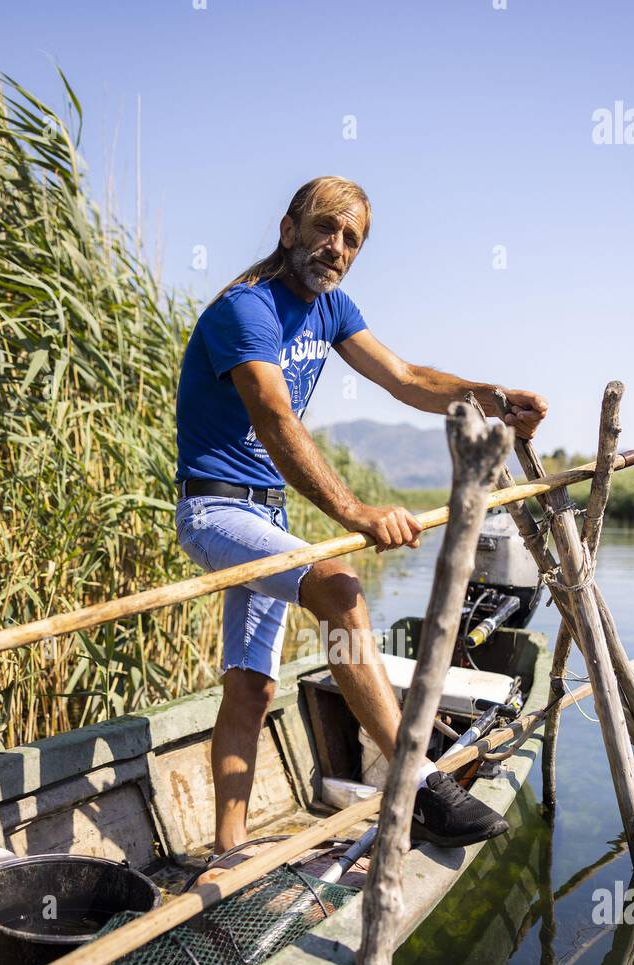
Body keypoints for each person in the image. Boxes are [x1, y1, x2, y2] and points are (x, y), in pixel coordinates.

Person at [175, 176, 547, 854]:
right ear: (288, 231)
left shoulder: (333, 308)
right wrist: (353, 511)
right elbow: (273, 416)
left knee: (253, 688)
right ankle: (420, 783)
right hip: (215, 511)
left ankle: (225, 854)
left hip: (268, 514)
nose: (335, 247)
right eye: (324, 229)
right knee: (343, 593)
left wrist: (489, 397)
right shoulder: (245, 310)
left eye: (351, 240)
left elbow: (405, 378)